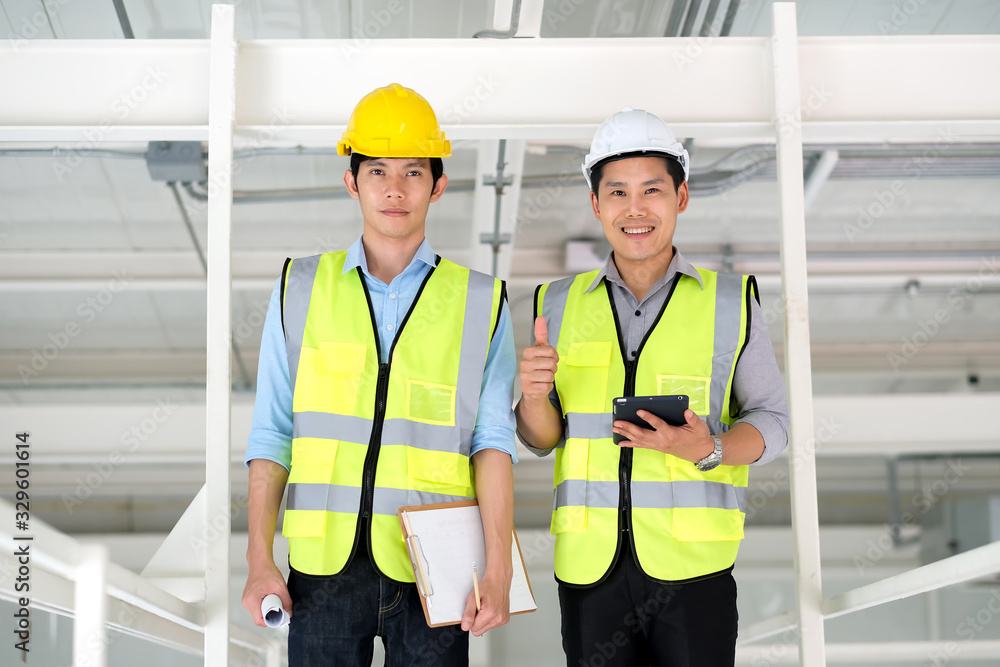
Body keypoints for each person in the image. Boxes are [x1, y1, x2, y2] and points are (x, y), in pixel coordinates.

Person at [241, 83, 517, 667]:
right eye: (378, 172)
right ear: (352, 181)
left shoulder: (482, 302)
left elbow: (493, 445)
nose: (395, 190)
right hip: (322, 569)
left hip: (434, 569)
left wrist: (498, 567)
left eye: (414, 173)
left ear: (438, 185)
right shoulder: (299, 288)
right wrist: (258, 559)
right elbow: (272, 433)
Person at [515, 107, 790, 666]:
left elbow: (775, 424)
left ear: (681, 197)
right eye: (616, 192)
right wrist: (535, 398)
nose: (634, 209)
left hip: (693, 573)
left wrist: (709, 447)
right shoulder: (557, 305)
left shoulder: (730, 302)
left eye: (652, 190)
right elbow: (542, 439)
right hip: (590, 571)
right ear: (596, 204)